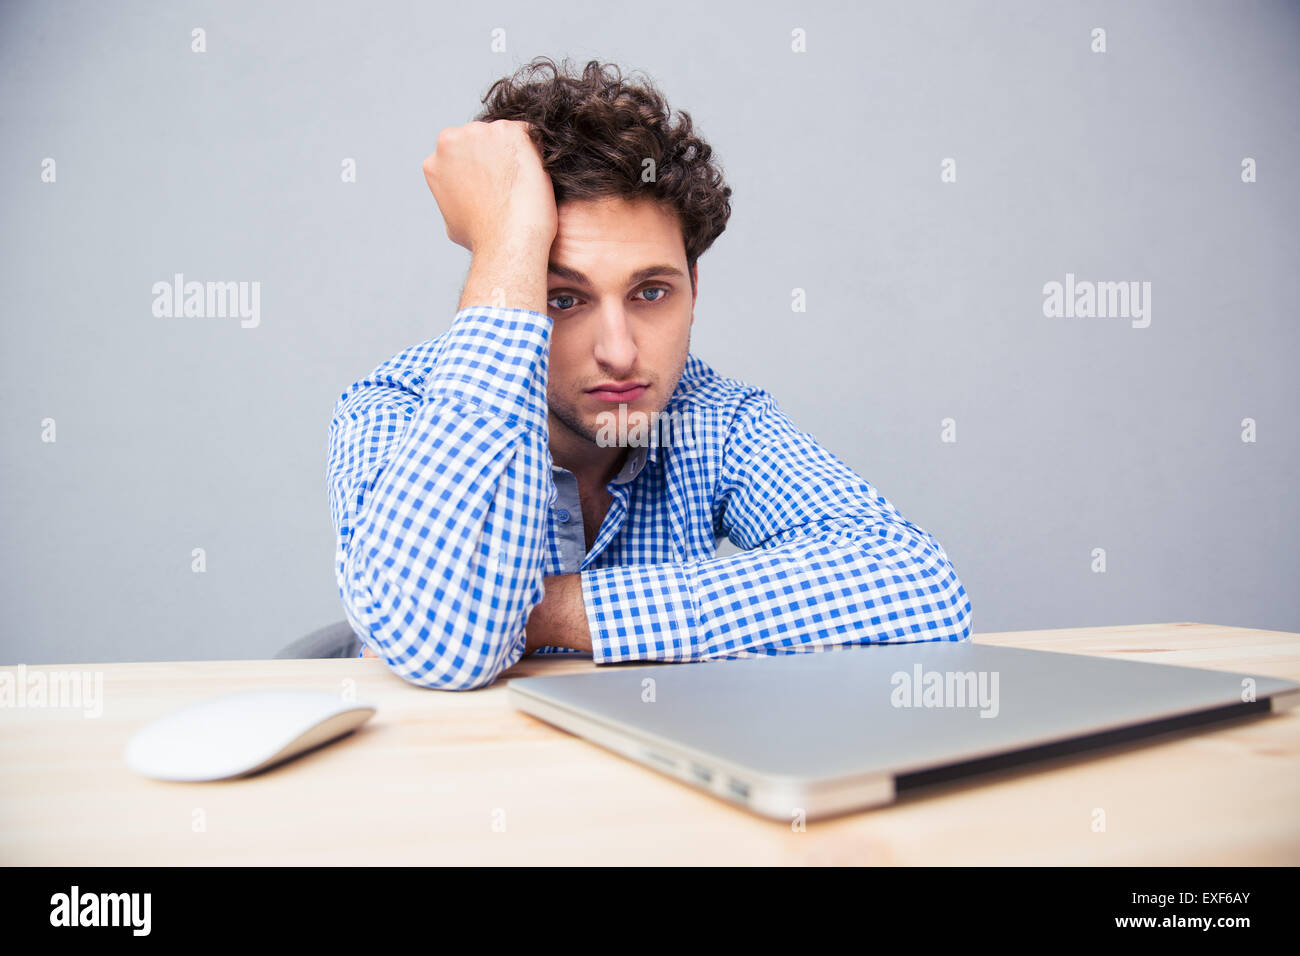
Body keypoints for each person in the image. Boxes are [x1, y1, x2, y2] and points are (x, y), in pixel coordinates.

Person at [328, 57, 972, 689]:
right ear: (516, 289)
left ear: (693, 285)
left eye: (651, 293)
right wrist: (506, 240)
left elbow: (918, 586)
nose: (619, 352)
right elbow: (437, 640)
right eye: (562, 298)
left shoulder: (710, 418)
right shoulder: (395, 408)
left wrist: (543, 610)